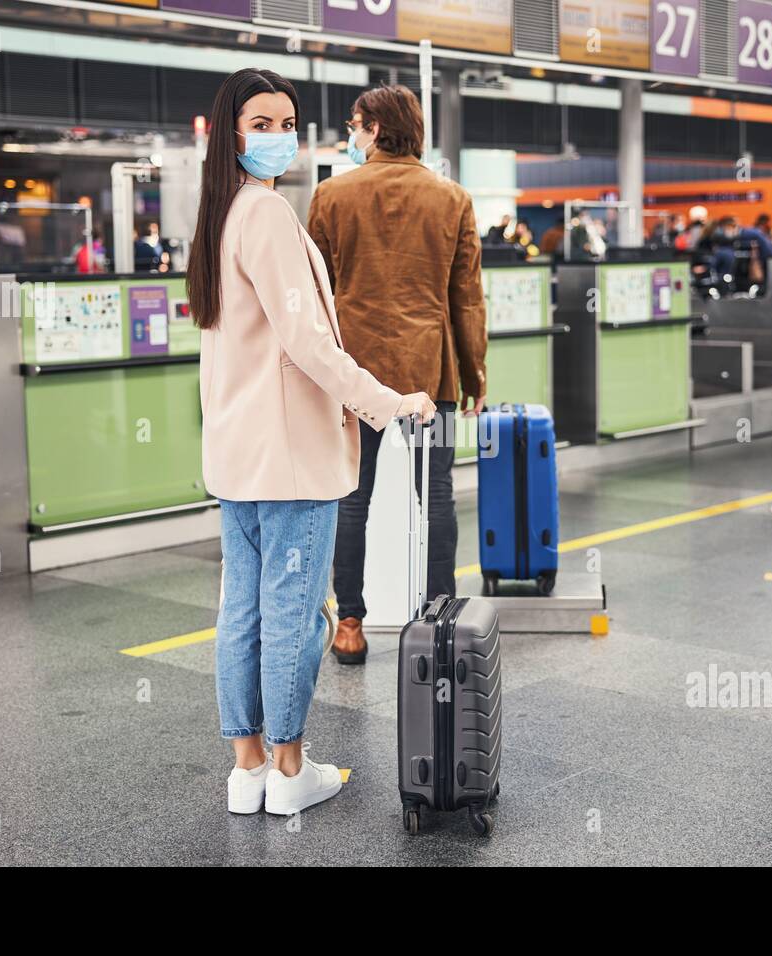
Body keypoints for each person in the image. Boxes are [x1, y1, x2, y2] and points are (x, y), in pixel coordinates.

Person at [187, 68, 435, 815]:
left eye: (286, 122)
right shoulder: (263, 214)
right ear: (230, 132)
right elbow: (309, 345)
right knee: (293, 613)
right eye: (261, 123)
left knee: (243, 610)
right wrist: (388, 402)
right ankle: (292, 772)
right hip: (290, 457)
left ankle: (248, 767)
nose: (278, 137)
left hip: (238, 454)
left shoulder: (221, 216)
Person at [307, 84, 487, 666]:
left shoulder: (330, 196)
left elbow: (317, 298)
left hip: (355, 379)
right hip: (429, 378)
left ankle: (351, 623)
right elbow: (466, 299)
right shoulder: (452, 198)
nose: (351, 136)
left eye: (354, 125)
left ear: (375, 128)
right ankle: (439, 619)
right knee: (436, 498)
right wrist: (474, 374)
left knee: (351, 499)